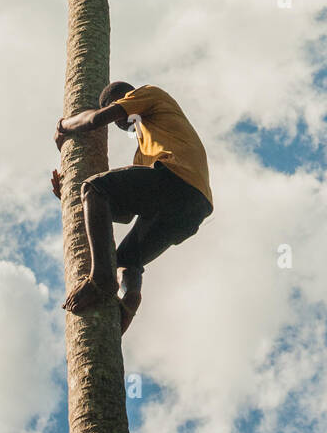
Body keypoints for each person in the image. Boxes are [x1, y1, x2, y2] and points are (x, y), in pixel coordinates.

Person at [51, 81, 213, 333]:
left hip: (176, 179)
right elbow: (125, 214)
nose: (117, 122)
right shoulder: (144, 153)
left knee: (94, 188)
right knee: (126, 259)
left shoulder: (146, 93)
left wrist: (63, 126)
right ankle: (128, 301)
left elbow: (94, 121)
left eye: (115, 106)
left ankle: (101, 279)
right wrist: (71, 199)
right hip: (194, 206)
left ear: (123, 98)